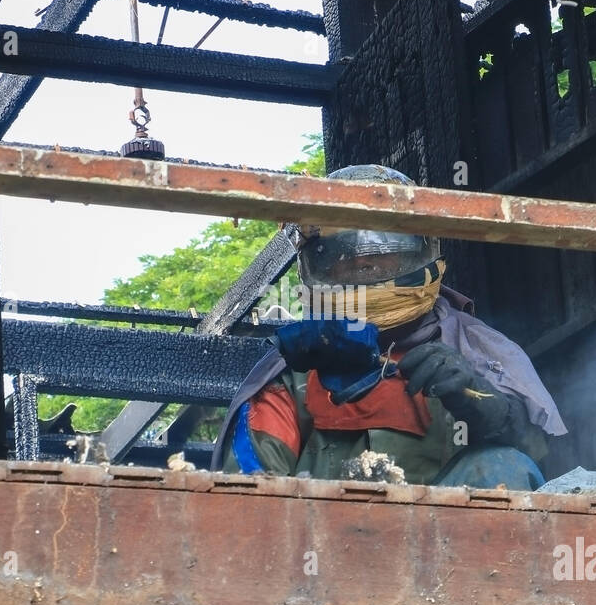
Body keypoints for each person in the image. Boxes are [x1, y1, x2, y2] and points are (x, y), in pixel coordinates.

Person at [212, 164, 566, 490]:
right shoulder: (292, 375)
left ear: (422, 249)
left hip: (451, 548)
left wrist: (484, 404)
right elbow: (248, 490)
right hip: (324, 545)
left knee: (503, 465)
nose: (365, 263)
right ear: (318, 268)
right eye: (347, 257)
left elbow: (546, 468)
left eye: (383, 253)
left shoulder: (478, 352)